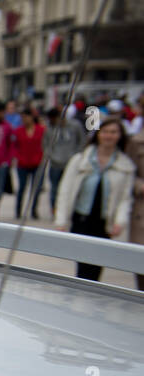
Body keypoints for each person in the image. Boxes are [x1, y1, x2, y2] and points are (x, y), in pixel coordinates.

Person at [54, 116, 136, 281]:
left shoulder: (125, 165)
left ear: (120, 135)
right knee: (83, 264)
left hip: (104, 222)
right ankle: (83, 290)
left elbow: (125, 198)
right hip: (82, 219)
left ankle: (86, 290)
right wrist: (61, 220)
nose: (109, 136)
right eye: (105, 131)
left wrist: (120, 221)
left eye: (113, 132)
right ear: (98, 134)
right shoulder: (80, 160)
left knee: (96, 266)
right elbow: (65, 190)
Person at [42, 107, 81, 219]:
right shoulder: (50, 129)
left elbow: (81, 141)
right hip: (55, 164)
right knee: (54, 189)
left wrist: (77, 156)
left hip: (71, 163)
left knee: (70, 188)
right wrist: (51, 156)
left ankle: (69, 211)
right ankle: (55, 211)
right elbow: (45, 144)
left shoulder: (75, 126)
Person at [123, 120, 144, 291]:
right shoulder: (137, 141)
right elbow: (127, 171)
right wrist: (140, 186)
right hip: (142, 209)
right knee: (141, 261)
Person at [13, 108, 45, 218]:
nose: (24, 119)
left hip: (37, 163)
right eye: (22, 118)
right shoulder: (18, 131)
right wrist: (17, 157)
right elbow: (15, 146)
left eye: (26, 117)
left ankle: (34, 210)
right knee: (22, 188)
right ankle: (18, 210)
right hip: (22, 164)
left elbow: (45, 144)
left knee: (36, 188)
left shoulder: (41, 129)